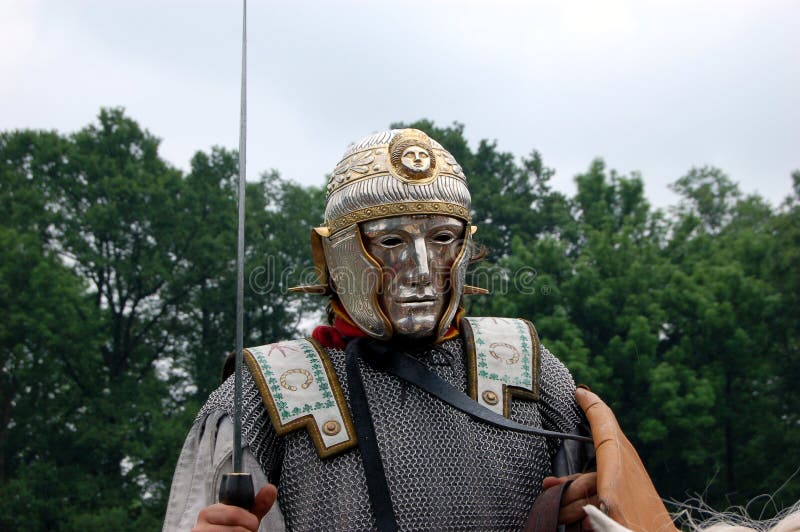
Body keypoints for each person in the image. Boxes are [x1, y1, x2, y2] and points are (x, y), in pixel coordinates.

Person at [163, 128, 598, 531]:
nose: (422, 270)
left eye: (442, 238)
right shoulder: (267, 392)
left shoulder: (526, 371)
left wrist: (580, 511)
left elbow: (610, 506)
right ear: (334, 253)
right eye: (391, 241)